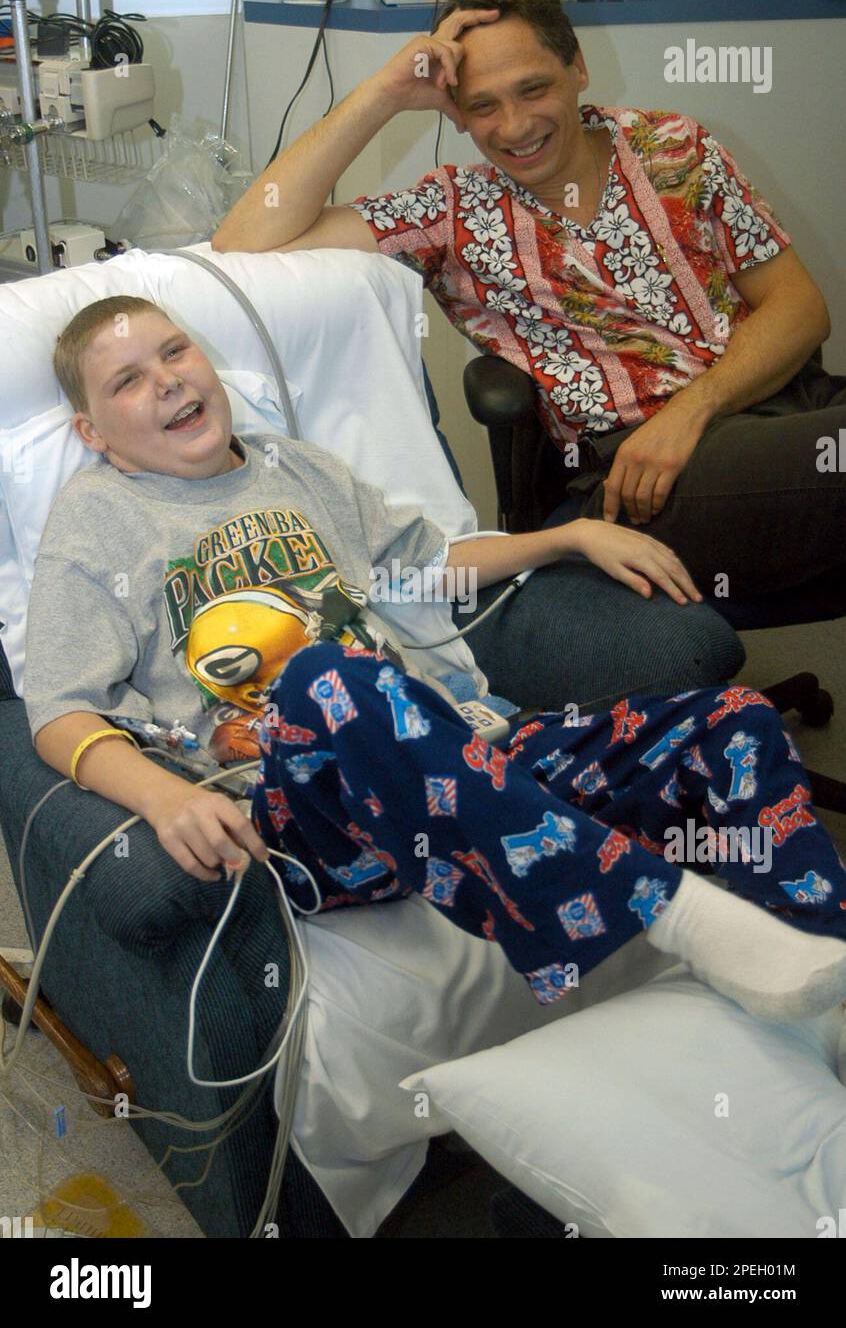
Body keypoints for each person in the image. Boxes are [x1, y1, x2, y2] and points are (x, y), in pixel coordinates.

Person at [22, 295, 846, 1024]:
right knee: (326, 678)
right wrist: (165, 799)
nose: (166, 379)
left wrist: (568, 535)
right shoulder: (98, 516)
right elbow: (58, 710)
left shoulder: (300, 469)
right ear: (91, 434)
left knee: (731, 721)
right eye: (127, 380)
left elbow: (424, 566)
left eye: (175, 351)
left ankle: (820, 977)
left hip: (459, 763)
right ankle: (663, 914)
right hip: (301, 817)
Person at [212, 0, 845, 604]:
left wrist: (689, 412)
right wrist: (386, 90)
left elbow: (799, 308)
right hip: (642, 481)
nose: (514, 127)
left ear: (578, 69)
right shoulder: (452, 216)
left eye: (533, 89)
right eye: (483, 105)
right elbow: (245, 233)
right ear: (455, 113)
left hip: (766, 409)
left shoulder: (676, 148)